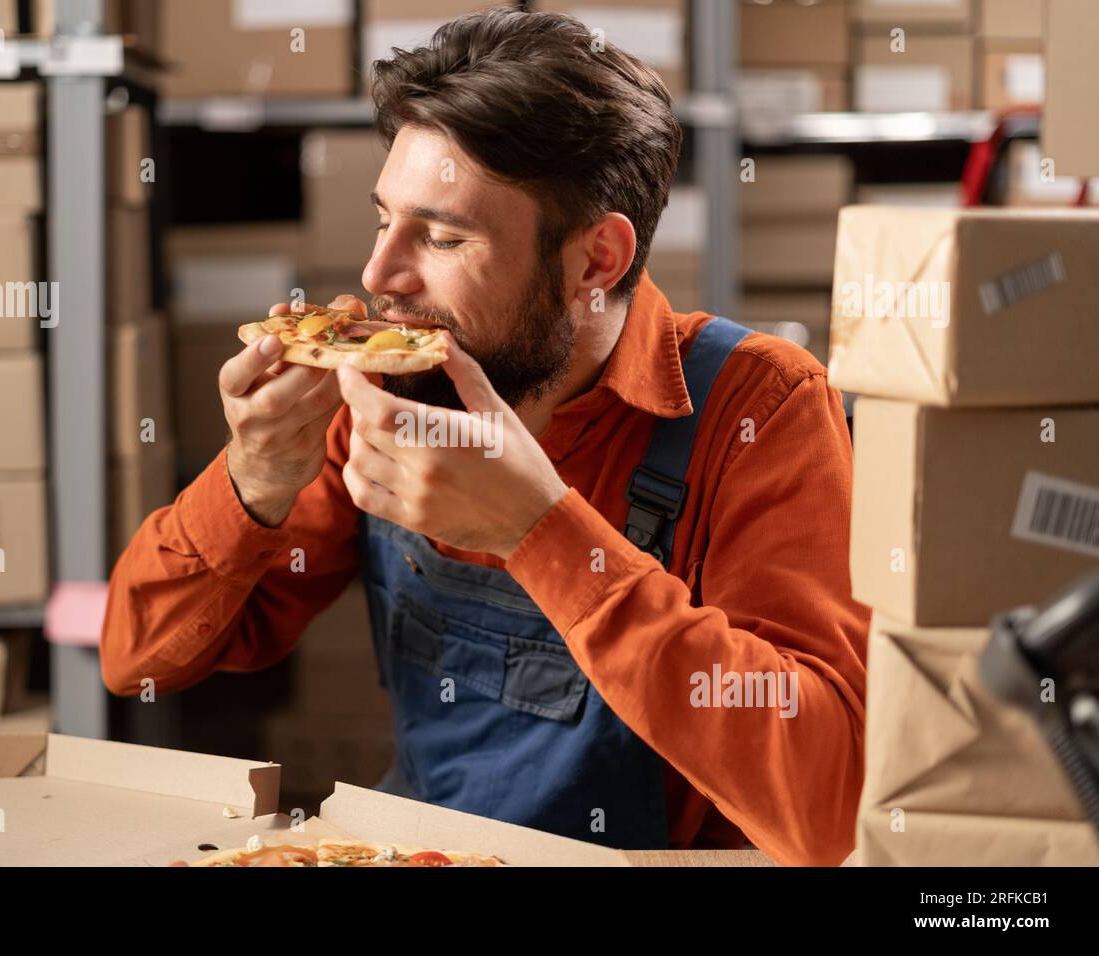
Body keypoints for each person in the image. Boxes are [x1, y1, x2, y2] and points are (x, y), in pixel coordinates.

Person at [101, 8, 869, 866]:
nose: (378, 275)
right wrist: (254, 478)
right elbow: (138, 662)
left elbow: (830, 806)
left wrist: (539, 532)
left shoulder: (760, 407)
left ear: (596, 262)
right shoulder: (386, 389)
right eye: (383, 217)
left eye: (442, 235)